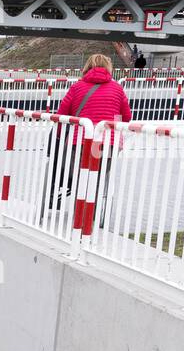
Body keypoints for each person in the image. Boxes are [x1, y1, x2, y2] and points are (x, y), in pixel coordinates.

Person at [49, 54, 132, 225]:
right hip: (107, 143)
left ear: (87, 67)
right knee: (97, 178)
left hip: (80, 141)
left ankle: (78, 220)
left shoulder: (77, 87)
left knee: (81, 179)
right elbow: (126, 117)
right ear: (108, 68)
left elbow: (62, 115)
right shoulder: (117, 88)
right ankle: (89, 221)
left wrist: (58, 136)